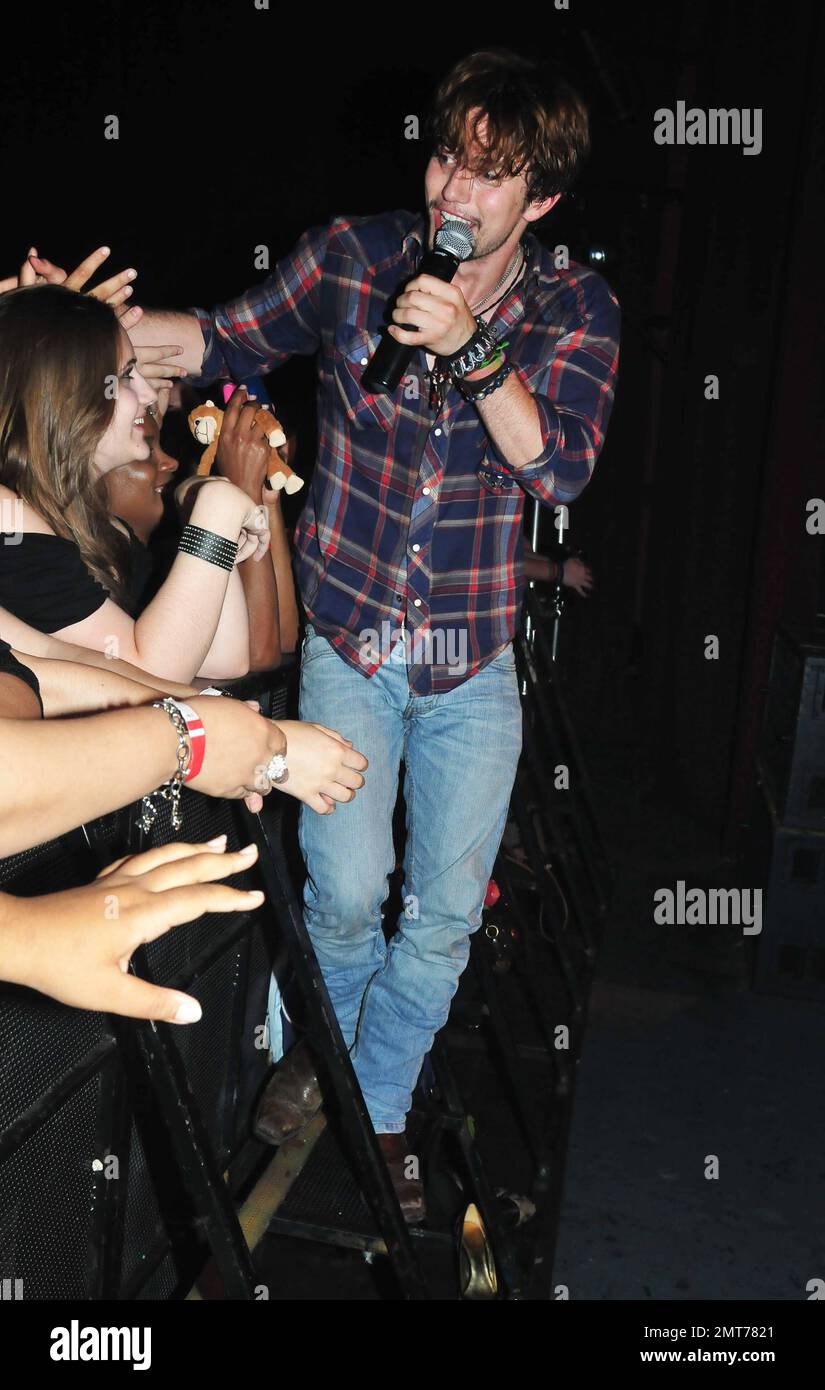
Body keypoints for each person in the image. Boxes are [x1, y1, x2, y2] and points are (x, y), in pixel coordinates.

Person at [123, 49, 620, 1221]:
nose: (455, 189)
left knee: (443, 916)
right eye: (449, 155)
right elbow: (217, 338)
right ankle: (347, 1073)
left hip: (471, 664)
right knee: (348, 898)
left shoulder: (572, 307)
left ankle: (370, 1099)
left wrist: (473, 348)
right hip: (350, 648)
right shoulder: (354, 256)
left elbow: (563, 461)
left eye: (491, 176)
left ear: (540, 198)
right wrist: (81, 324)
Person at [0, 284, 269, 682]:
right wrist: (218, 507)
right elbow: (154, 671)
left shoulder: (96, 526)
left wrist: (202, 504)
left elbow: (222, 658)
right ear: (67, 392)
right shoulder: (7, 516)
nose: (146, 395)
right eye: (126, 376)